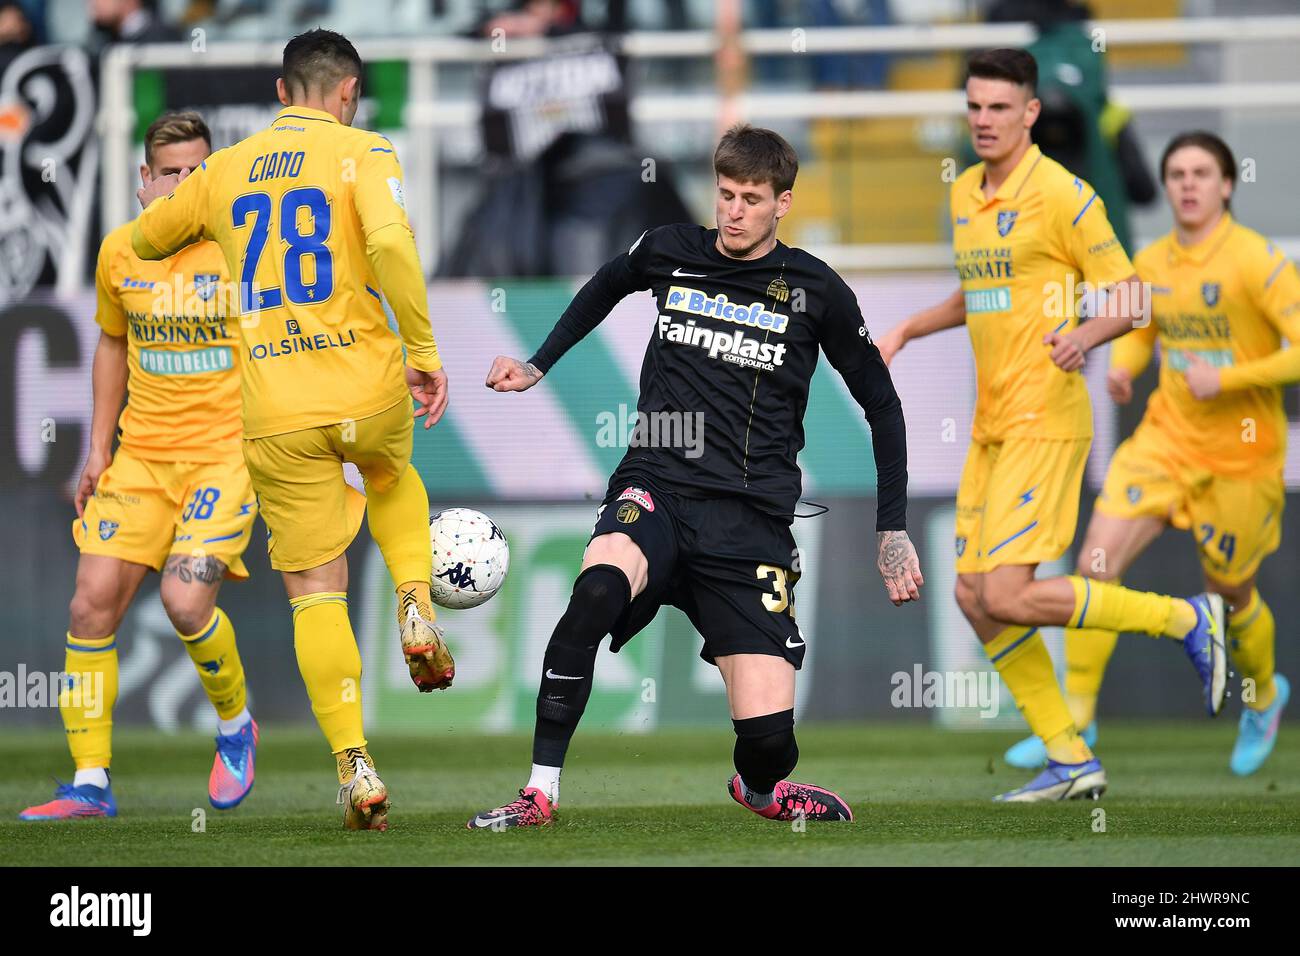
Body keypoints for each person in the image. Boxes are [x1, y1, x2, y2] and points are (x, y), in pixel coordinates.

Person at [469, 123, 922, 829]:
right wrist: (537, 364)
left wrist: (891, 528)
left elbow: (883, 406)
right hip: (657, 484)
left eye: (751, 198)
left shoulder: (814, 290)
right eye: (725, 194)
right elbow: (604, 286)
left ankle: (761, 791)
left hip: (751, 523)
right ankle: (539, 792)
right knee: (593, 592)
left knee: (771, 745)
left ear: (784, 203)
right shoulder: (669, 250)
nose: (734, 211)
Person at [877, 49, 1226, 803]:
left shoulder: (1066, 196)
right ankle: (1071, 758)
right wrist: (907, 329)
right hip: (992, 425)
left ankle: (1186, 619)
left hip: (1049, 417)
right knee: (974, 597)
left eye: (999, 108)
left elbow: (1130, 298)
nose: (982, 120)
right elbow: (981, 290)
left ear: (1030, 113)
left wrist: (1085, 337)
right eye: (973, 107)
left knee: (1003, 592)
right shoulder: (966, 191)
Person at [131, 29, 452, 831]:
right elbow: (387, 242)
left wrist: (181, 211)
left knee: (316, 592)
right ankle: (416, 601)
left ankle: (355, 766)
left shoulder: (222, 171)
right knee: (389, 478)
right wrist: (422, 349)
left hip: (275, 409)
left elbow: (145, 238)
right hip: (365, 387)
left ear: (281, 94)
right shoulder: (364, 151)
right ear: (346, 93)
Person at [1005, 131, 1299, 776]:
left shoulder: (1257, 261)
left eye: (1201, 173)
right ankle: (1076, 717)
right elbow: (1142, 330)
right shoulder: (1155, 261)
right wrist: (1125, 367)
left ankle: (1262, 695)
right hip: (1164, 443)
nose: (1187, 184)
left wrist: (1226, 379)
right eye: (1176, 174)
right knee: (1095, 563)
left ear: (1227, 185)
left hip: (1240, 460)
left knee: (1232, 593)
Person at [20, 112, 259, 821]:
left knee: (185, 603)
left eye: (199, 173)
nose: (187, 186)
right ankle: (89, 782)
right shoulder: (121, 252)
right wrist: (96, 449)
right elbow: (112, 345)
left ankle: (234, 725)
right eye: (173, 175)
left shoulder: (243, 250)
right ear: (143, 183)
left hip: (225, 456)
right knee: (89, 604)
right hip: (142, 459)